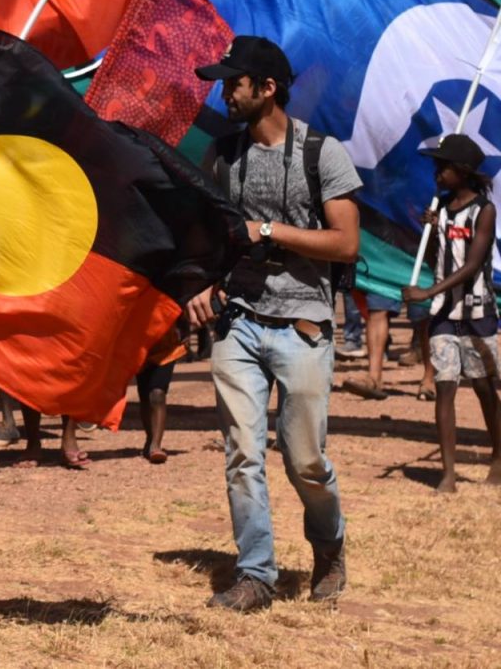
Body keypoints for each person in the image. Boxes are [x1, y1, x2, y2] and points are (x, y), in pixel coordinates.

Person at [186, 36, 360, 613]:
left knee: (305, 459)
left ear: (267, 89)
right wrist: (202, 283)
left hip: (304, 325)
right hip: (239, 322)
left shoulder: (322, 153)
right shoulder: (221, 153)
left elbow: (345, 242)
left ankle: (329, 546)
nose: (223, 90)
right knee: (241, 453)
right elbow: (208, 235)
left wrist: (270, 232)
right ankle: (256, 574)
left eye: (233, 82)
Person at [400, 133, 501, 493]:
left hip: (478, 313)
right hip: (444, 314)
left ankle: (498, 456)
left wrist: (427, 291)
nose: (437, 173)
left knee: (485, 389)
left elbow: (473, 264)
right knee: (445, 387)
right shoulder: (440, 209)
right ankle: (448, 472)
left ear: (463, 170)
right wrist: (431, 232)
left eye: (443, 167)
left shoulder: (483, 211)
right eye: (436, 166)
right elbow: (438, 261)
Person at [133, 319, 188, 464]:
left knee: (157, 394)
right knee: (144, 395)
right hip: (140, 344)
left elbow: (181, 301)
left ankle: (155, 445)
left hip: (167, 347)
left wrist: (185, 329)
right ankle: (150, 439)